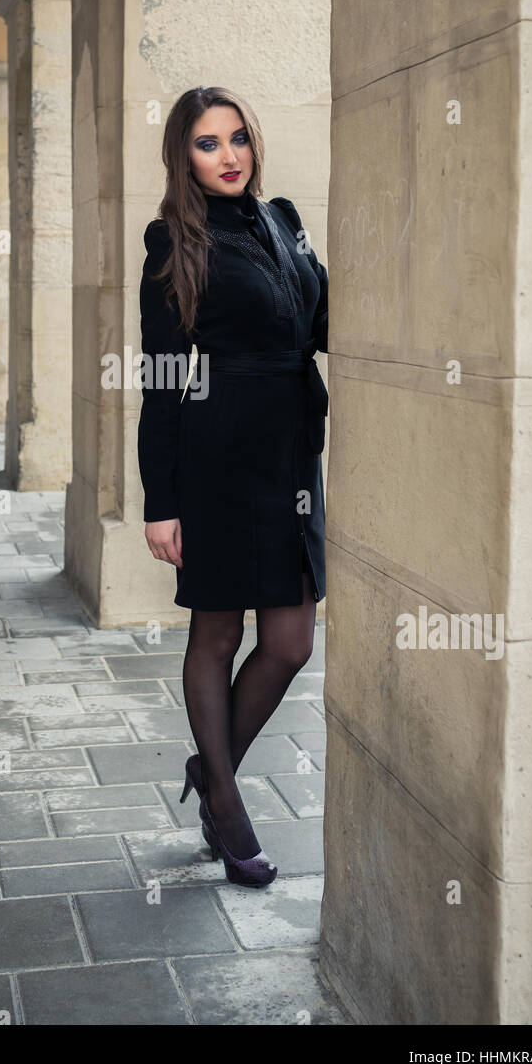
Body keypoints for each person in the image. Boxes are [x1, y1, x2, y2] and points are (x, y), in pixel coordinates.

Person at [137, 86, 329, 888]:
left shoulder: (282, 222)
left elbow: (318, 325)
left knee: (289, 641)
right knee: (215, 635)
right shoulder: (171, 243)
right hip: (214, 459)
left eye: (238, 138)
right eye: (209, 143)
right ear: (184, 156)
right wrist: (162, 500)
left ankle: (212, 772)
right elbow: (159, 378)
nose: (229, 155)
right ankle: (228, 802)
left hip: (289, 458)